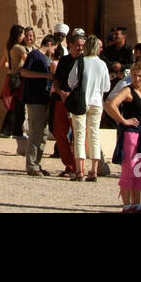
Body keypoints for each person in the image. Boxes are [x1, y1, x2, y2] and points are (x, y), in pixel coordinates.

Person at [105, 56, 141, 212]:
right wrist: (123, 120)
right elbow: (110, 105)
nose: (137, 78)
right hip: (130, 134)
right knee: (129, 168)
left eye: (140, 75)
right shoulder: (128, 90)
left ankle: (136, 203)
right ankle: (127, 205)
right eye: (134, 75)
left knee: (140, 170)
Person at [68, 34, 111, 182]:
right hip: (96, 102)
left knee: (79, 135)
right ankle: (94, 170)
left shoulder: (81, 62)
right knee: (94, 135)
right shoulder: (102, 64)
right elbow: (106, 87)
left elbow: (71, 82)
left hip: (81, 101)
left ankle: (80, 170)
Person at [51, 30, 86, 178]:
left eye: (82, 45)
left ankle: (79, 167)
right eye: (77, 45)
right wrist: (61, 93)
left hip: (77, 101)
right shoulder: (64, 61)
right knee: (59, 133)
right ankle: (69, 165)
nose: (79, 48)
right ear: (70, 45)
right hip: (62, 100)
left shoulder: (85, 61)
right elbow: (56, 81)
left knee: (79, 134)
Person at [21, 33, 56, 176]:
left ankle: (37, 163)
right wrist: (44, 75)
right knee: (35, 133)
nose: (54, 51)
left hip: (44, 99)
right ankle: (31, 166)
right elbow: (24, 72)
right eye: (54, 48)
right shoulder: (35, 55)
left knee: (43, 133)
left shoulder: (45, 59)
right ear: (49, 44)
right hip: (34, 99)